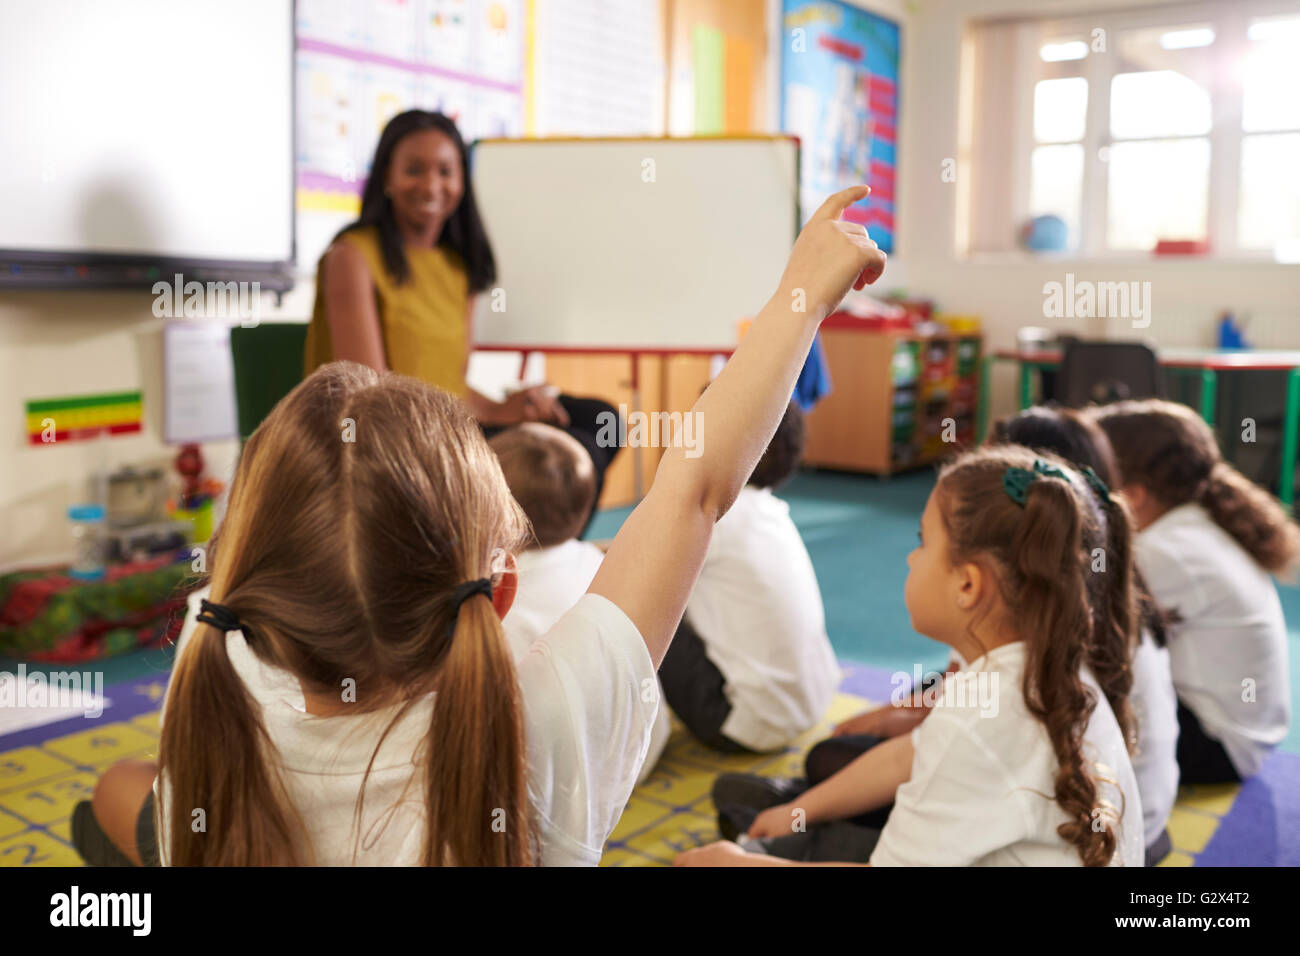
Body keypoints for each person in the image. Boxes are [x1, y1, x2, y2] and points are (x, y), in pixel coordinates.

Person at [74, 185, 887, 866]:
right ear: (501, 585)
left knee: (117, 790)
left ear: (240, 568)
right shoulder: (543, 726)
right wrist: (802, 293)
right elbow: (694, 492)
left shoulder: (206, 648)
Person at [679, 446, 1144, 866]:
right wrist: (800, 810)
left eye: (923, 541)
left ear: (968, 584)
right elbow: (907, 756)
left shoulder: (983, 718)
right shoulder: (1049, 668)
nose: (910, 559)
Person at [303, 109, 619, 510]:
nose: (431, 185)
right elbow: (369, 401)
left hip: (449, 424)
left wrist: (511, 408)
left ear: (461, 182)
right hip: (391, 441)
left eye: (445, 171)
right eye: (414, 170)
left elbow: (452, 384)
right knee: (572, 455)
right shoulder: (351, 257)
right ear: (387, 176)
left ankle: (527, 557)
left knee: (599, 421)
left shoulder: (458, 267)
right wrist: (481, 425)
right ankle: (519, 560)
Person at [1091, 399, 1298, 784]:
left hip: (1218, 744)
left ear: (1133, 495)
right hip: (1246, 731)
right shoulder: (1193, 523)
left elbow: (1081, 629)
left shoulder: (1164, 551)